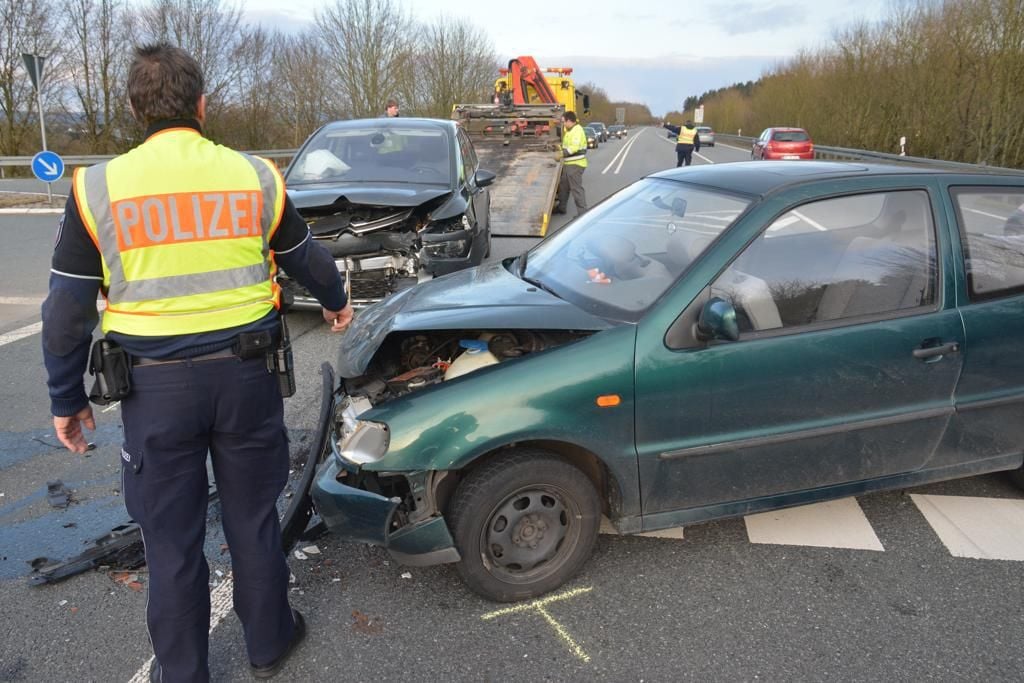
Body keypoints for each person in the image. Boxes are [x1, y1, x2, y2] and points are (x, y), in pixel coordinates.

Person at [40, 43, 352, 683]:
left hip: (154, 392)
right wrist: (337, 301)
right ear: (203, 105)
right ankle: (269, 643)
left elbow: (67, 311)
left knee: (172, 540)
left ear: (133, 108)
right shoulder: (254, 176)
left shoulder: (98, 187)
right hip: (248, 378)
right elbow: (305, 256)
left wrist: (65, 399)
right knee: (251, 517)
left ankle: (183, 673)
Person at [553, 111, 588, 217]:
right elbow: (567, 146)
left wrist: (561, 154)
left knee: (576, 189)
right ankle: (561, 208)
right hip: (568, 164)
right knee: (563, 186)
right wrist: (559, 148)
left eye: (564, 122)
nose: (563, 124)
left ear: (569, 120)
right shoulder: (569, 131)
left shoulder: (577, 130)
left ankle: (583, 214)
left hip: (576, 164)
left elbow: (574, 147)